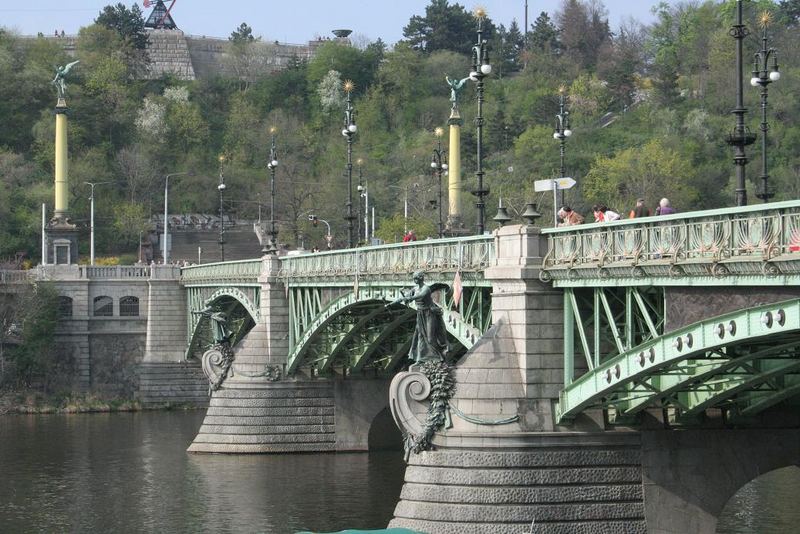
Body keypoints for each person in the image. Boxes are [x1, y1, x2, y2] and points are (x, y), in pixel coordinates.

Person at [388, 272, 448, 363]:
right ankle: (421, 358)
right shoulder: (415, 289)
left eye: (416, 278)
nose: (414, 280)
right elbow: (402, 299)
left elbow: (420, 296)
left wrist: (409, 298)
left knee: (430, 338)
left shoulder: (426, 288)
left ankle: (440, 357)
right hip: (420, 314)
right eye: (414, 278)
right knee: (420, 337)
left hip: (429, 314)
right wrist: (391, 304)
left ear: (421, 278)